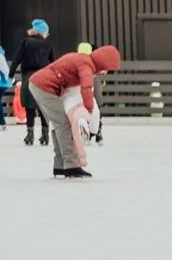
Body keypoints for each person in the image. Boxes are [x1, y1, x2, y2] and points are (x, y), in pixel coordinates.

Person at [27, 43, 121, 179]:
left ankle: (60, 165)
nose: (105, 72)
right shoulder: (86, 65)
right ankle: (72, 166)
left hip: (39, 85)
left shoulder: (83, 60)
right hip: (43, 87)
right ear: (102, 62)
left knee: (57, 123)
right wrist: (89, 111)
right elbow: (86, 88)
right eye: (107, 69)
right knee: (63, 123)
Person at [11, 20, 57, 145]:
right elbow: (53, 63)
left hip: (29, 77)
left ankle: (30, 135)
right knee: (43, 106)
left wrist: (11, 74)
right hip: (44, 77)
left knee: (30, 106)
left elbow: (17, 59)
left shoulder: (26, 42)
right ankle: (45, 135)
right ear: (43, 32)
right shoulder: (47, 45)